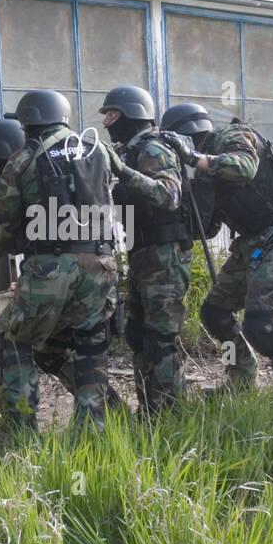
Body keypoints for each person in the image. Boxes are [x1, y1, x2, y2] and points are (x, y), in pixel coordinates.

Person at [0, 90, 119, 429]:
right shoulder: (100, 150)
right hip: (101, 265)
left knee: (8, 340)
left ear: (28, 122)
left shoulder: (24, 159)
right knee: (89, 347)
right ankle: (94, 433)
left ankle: (21, 431)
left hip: (51, 268)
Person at [161, 104, 273, 400]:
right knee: (215, 313)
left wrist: (194, 158)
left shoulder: (232, 136)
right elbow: (210, 228)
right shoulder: (208, 168)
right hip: (252, 243)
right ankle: (240, 377)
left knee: (261, 323)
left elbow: (245, 166)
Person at [99, 85, 190, 417]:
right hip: (143, 255)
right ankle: (150, 412)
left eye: (112, 114)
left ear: (132, 115)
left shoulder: (153, 149)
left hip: (164, 256)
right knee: (138, 335)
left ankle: (172, 418)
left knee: (160, 340)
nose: (107, 122)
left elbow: (169, 196)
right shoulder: (131, 151)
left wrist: (124, 173)